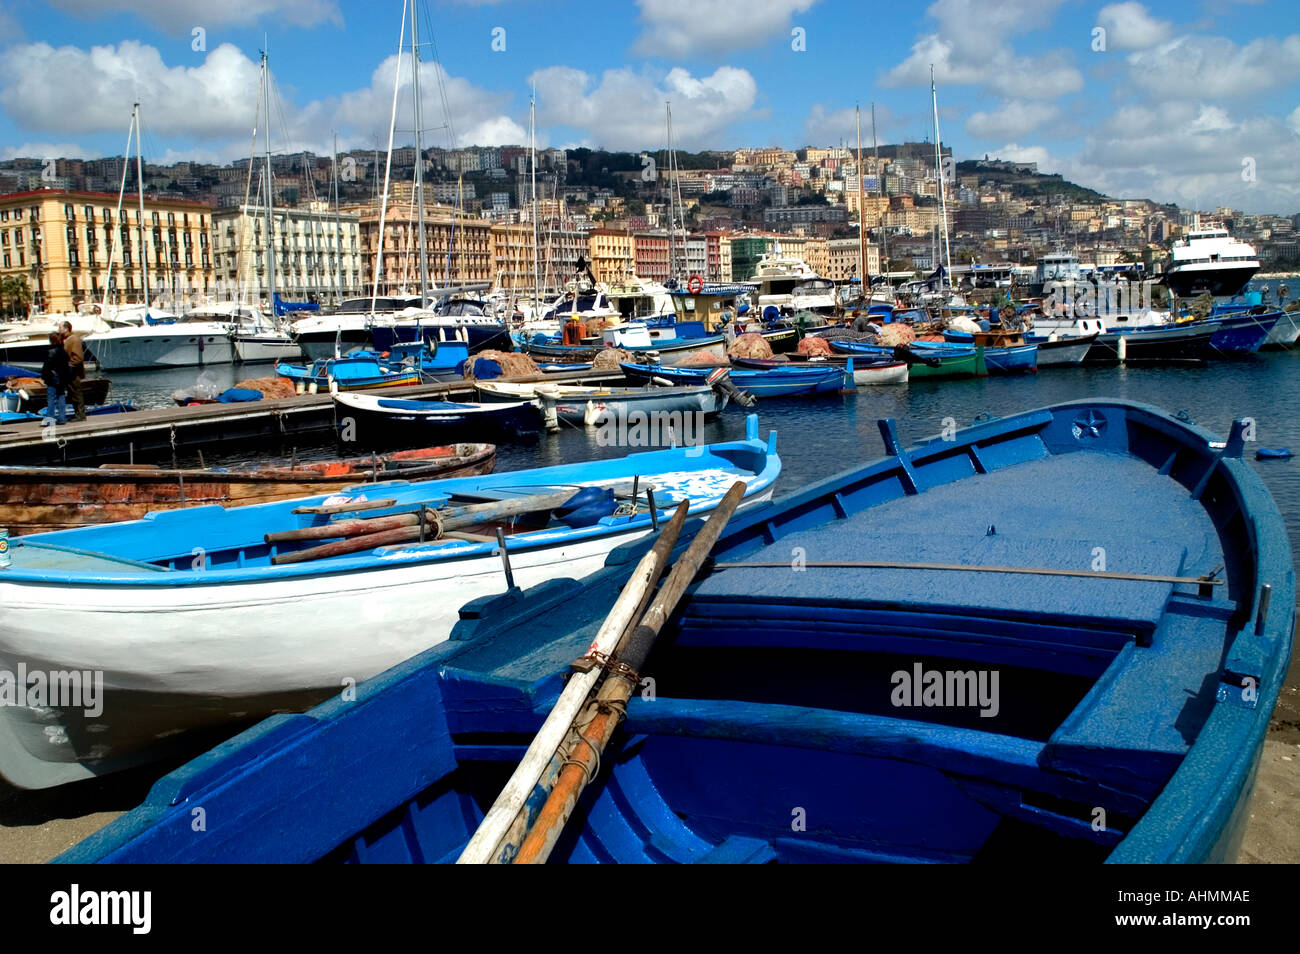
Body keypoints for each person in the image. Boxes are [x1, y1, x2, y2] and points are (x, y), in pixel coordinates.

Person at [40, 332, 70, 425]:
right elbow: (67, 367)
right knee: (61, 397)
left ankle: (50, 419)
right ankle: (62, 418)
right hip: (62, 378)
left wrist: (44, 377)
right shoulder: (64, 352)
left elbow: (46, 367)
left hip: (51, 378)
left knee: (51, 399)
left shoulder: (50, 352)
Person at [59, 320, 86, 421]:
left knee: (76, 393)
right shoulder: (66, 339)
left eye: (60, 327)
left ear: (66, 328)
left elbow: (78, 357)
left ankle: (80, 415)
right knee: (72, 393)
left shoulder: (74, 339)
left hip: (74, 372)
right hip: (68, 372)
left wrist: (68, 365)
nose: (59, 330)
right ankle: (77, 414)